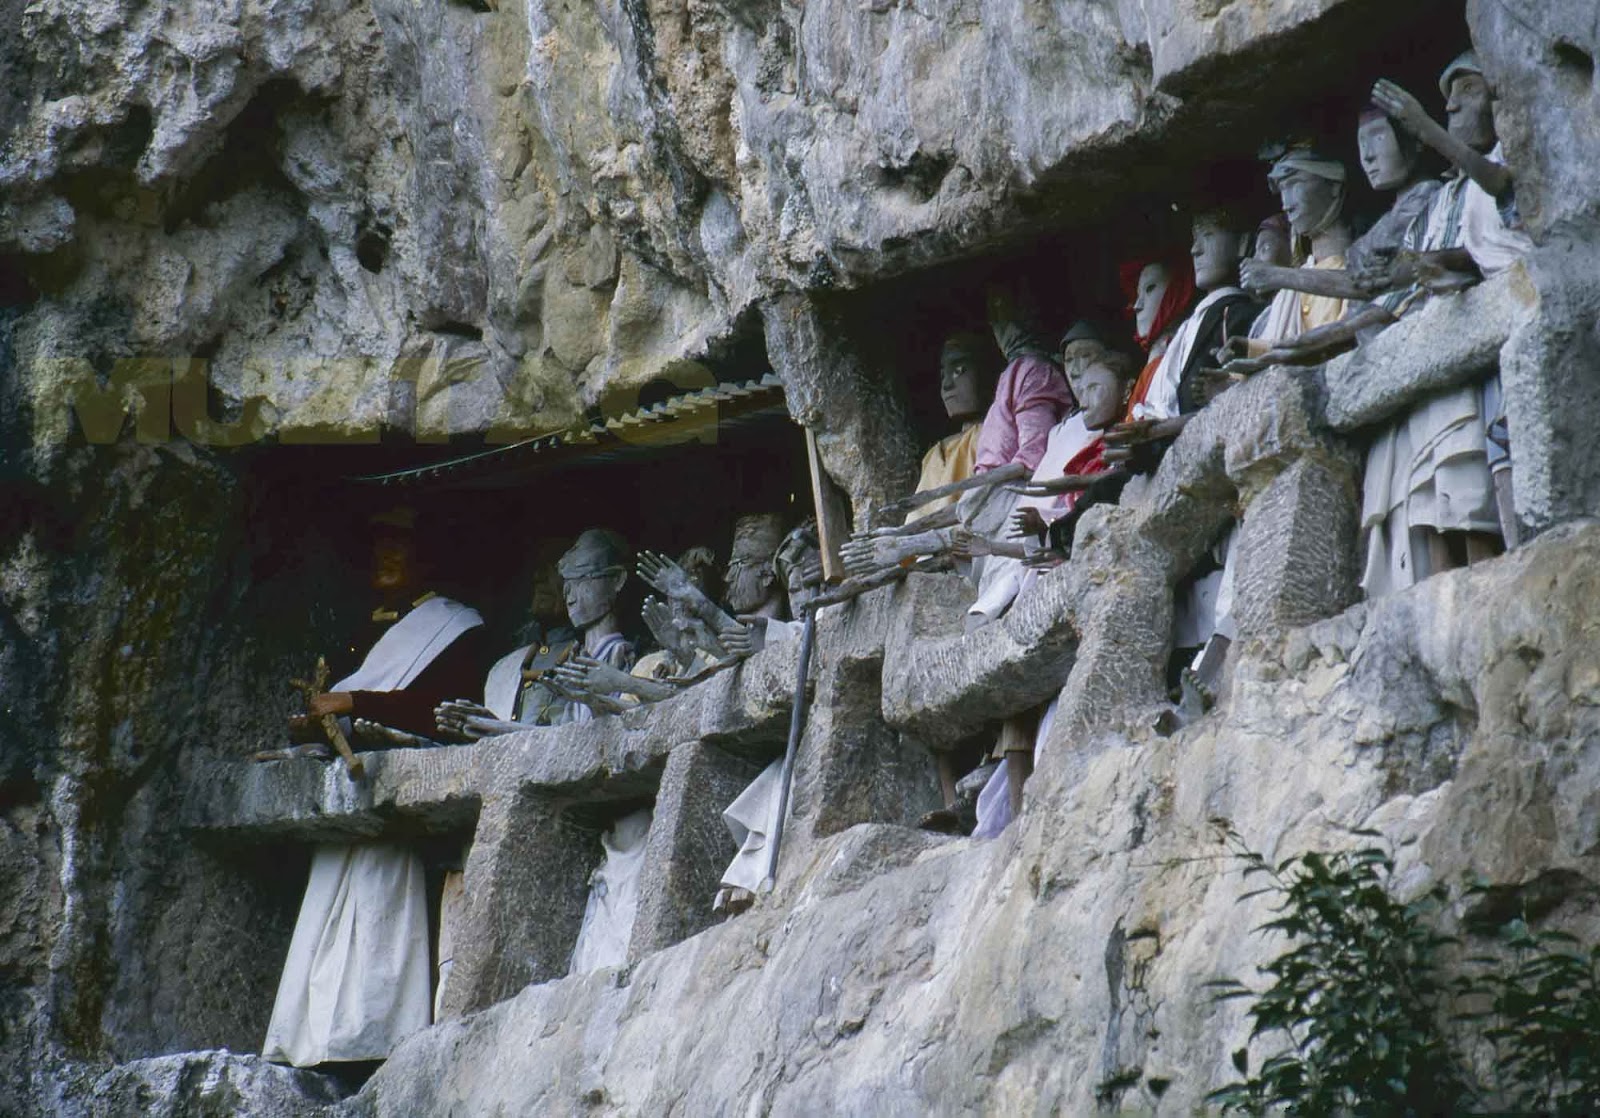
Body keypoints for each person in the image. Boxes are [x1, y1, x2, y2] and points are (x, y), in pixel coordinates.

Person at [262, 511, 485, 1067]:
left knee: (385, 909)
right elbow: (337, 693)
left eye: (400, 544)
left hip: (400, 798)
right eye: (379, 542)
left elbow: (447, 709)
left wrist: (357, 704)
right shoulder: (361, 630)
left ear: (427, 554)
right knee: (325, 911)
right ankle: (312, 1037)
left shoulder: (457, 627)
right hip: (346, 796)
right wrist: (317, 717)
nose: (386, 554)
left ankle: (371, 1040)